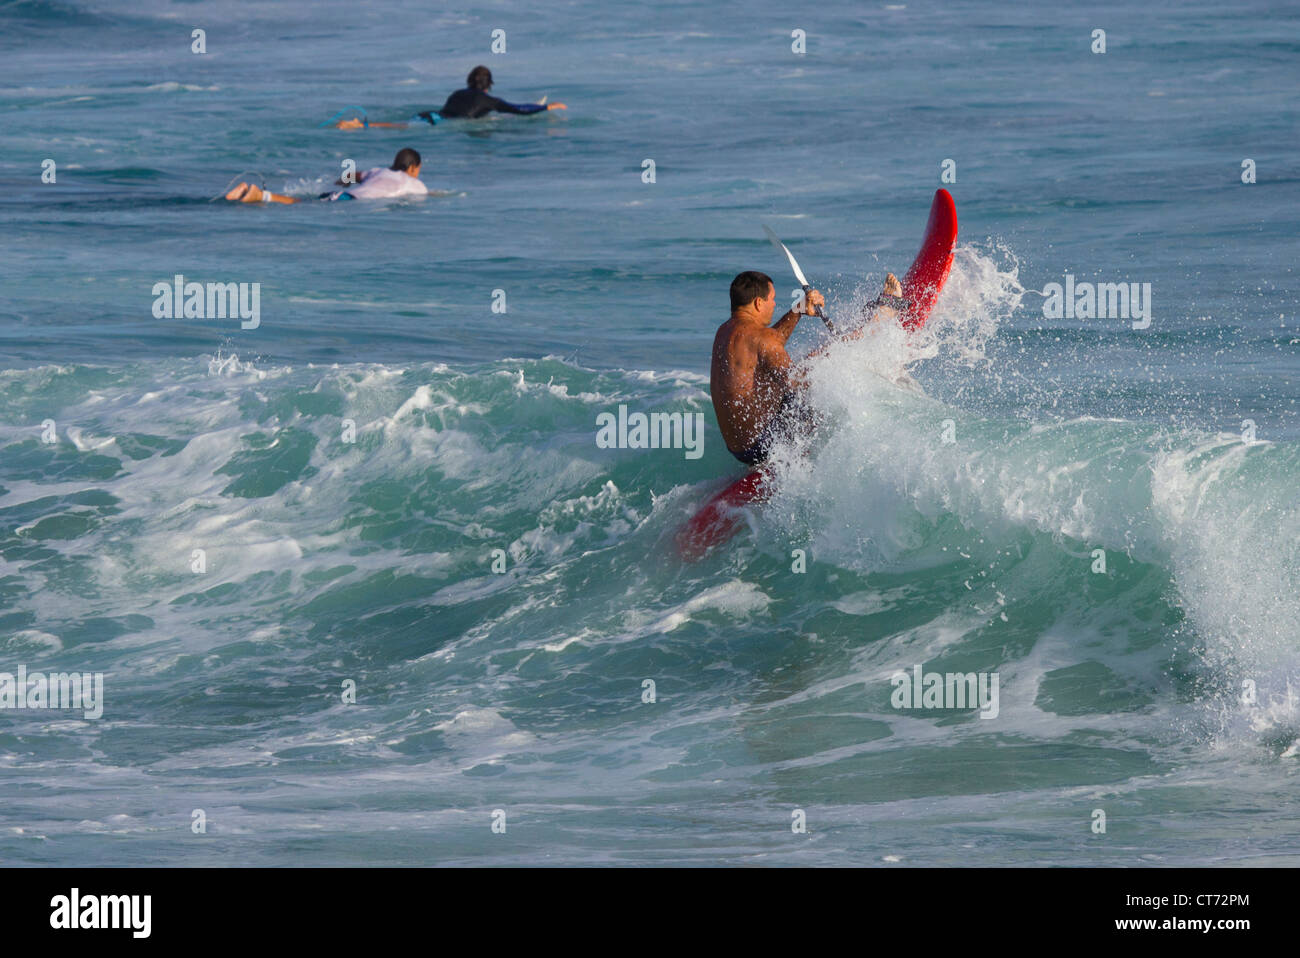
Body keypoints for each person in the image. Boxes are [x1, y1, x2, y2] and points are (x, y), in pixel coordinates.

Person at [710, 271, 825, 465]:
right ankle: (882, 311)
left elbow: (770, 342)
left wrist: (798, 310)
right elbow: (798, 384)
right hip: (763, 445)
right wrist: (827, 361)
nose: (773, 304)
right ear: (758, 303)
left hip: (739, 449)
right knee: (816, 372)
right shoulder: (762, 339)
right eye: (772, 299)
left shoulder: (724, 331)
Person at [332, 66, 566, 129]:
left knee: (399, 125)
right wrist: (546, 108)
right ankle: (358, 125)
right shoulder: (490, 101)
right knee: (398, 127)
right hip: (437, 123)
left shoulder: (457, 93)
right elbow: (518, 109)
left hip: (429, 115)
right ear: (490, 84)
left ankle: (360, 124)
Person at [224, 148, 429, 204]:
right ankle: (259, 195)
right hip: (350, 200)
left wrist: (340, 182)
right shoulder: (416, 185)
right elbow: (421, 196)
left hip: (341, 194)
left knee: (302, 201)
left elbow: (352, 175)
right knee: (297, 203)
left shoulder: (379, 171)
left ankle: (250, 192)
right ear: (413, 168)